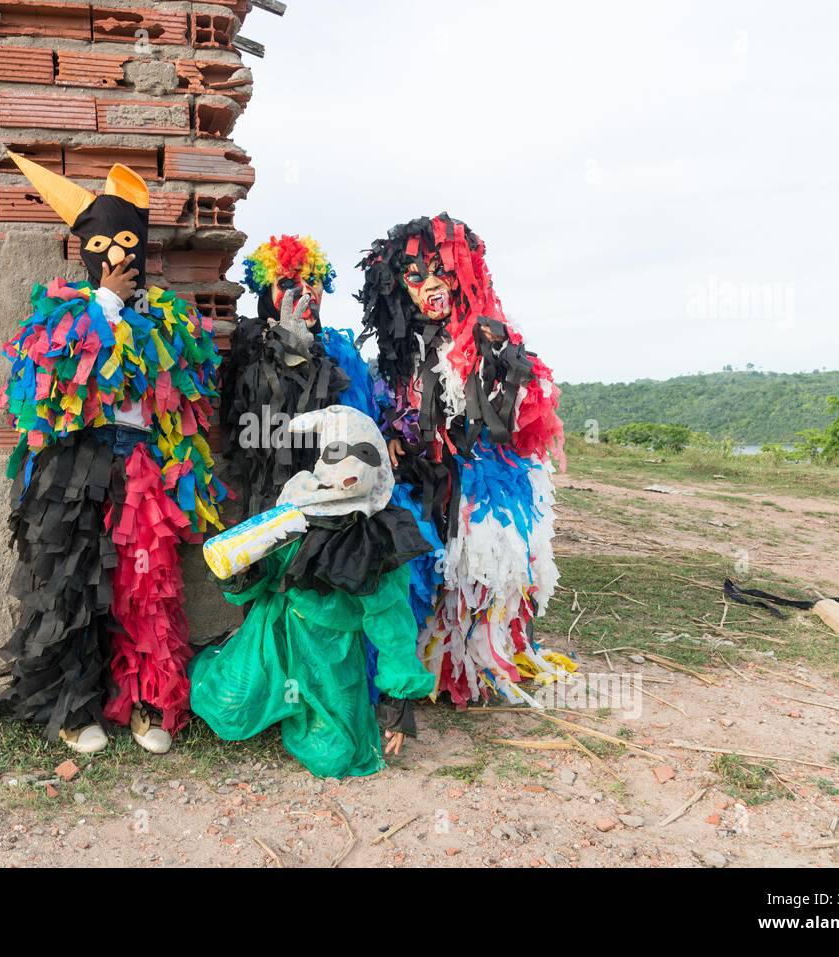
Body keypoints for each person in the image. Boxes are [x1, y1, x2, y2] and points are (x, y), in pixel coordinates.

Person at [0, 156, 226, 754]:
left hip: (142, 472)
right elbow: (56, 393)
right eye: (101, 245)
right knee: (74, 583)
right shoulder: (65, 314)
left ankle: (146, 703)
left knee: (145, 587)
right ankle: (74, 707)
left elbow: (180, 402)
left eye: (125, 243)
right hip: (76, 470)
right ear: (85, 253)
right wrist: (106, 307)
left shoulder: (170, 316)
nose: (116, 257)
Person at [357, 214, 575, 708]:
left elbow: (525, 414)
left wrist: (500, 367)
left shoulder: (491, 339)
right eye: (414, 275)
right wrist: (395, 432)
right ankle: (432, 664)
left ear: (465, 274)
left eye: (441, 270)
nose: (430, 283)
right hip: (422, 476)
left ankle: (475, 664)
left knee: (484, 569)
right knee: (427, 565)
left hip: (485, 479)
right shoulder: (401, 350)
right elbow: (398, 404)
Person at [190, 406, 436, 777]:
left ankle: (303, 706)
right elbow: (266, 576)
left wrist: (396, 702)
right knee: (227, 707)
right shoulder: (296, 509)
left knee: (336, 757)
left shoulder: (375, 537)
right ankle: (223, 653)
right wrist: (241, 573)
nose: (351, 470)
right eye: (339, 452)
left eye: (365, 453)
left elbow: (391, 623)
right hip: (275, 632)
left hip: (331, 655)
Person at [220, 235, 377, 516]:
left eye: (313, 279)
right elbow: (260, 428)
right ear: (266, 293)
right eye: (288, 284)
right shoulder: (252, 343)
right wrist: (288, 351)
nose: (305, 291)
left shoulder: (340, 350)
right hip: (280, 498)